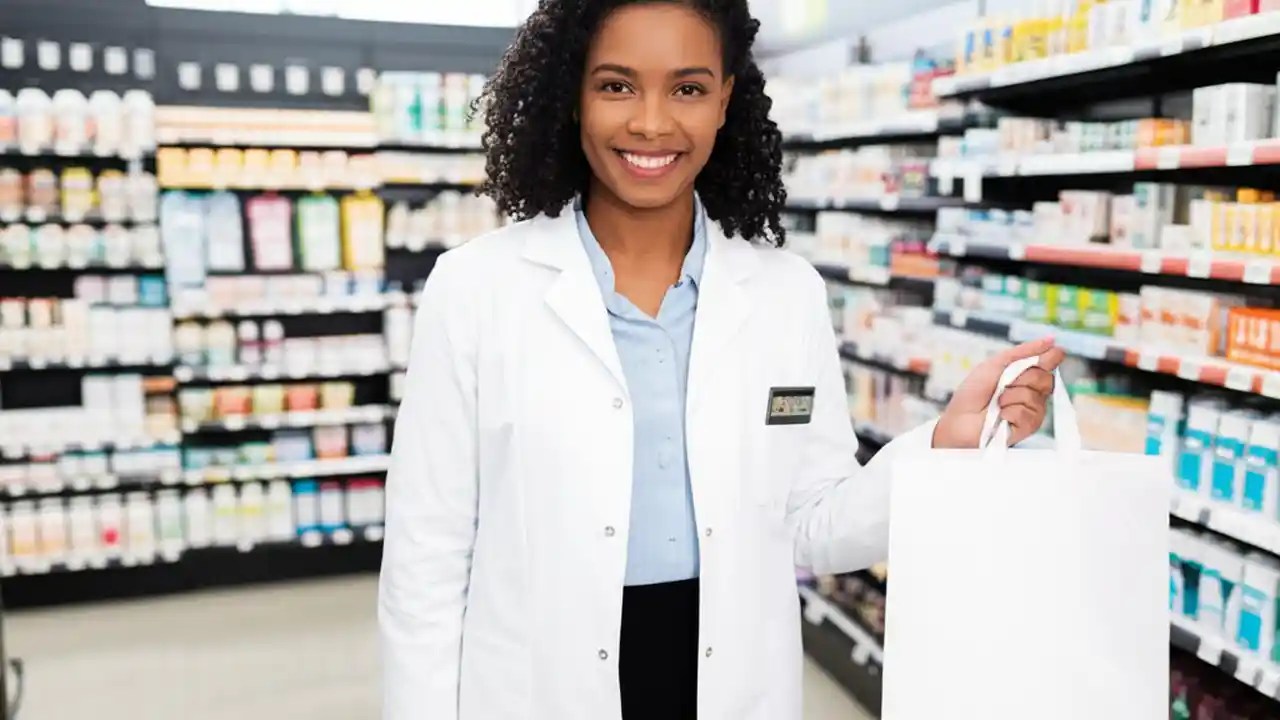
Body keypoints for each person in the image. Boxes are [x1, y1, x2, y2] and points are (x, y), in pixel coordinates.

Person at [378, 1, 1065, 719]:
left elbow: (811, 524)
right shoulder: (478, 287)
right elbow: (426, 559)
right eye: (616, 85)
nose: (651, 123)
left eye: (687, 88)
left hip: (729, 677)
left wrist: (941, 447)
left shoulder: (784, 293)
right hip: (538, 683)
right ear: (571, 93)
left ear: (726, 98)